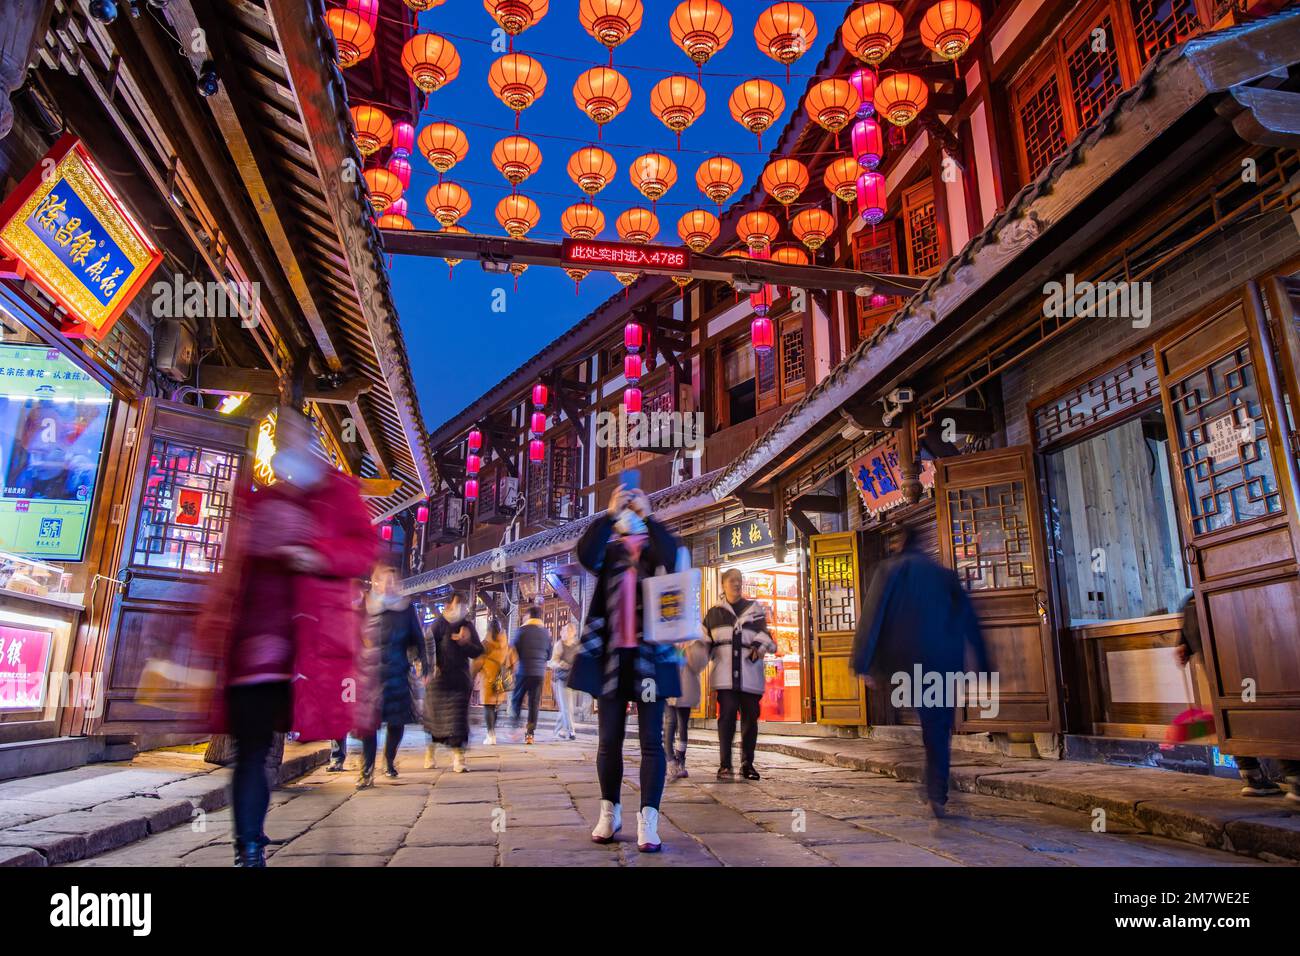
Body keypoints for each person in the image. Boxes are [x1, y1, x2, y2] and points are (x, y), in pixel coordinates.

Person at [195, 406, 375, 866]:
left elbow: (363, 550)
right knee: (252, 749)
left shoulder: (337, 494)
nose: (287, 443)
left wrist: (318, 555)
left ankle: (256, 835)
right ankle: (249, 846)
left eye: (296, 434)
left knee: (273, 741)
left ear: (312, 441)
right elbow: (231, 570)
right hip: (252, 645)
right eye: (282, 436)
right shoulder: (258, 500)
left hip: (307, 647)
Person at [570, 484, 683, 852]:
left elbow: (674, 551)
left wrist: (649, 513)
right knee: (609, 740)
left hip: (651, 658)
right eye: (628, 509)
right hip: (613, 659)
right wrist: (608, 513)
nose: (631, 513)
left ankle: (648, 819)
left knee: (651, 741)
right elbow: (585, 554)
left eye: (634, 510)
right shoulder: (608, 552)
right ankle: (610, 811)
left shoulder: (656, 551)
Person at [852, 525, 989, 819]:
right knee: (937, 725)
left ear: (899, 544)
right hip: (943, 659)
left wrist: (863, 663)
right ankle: (936, 790)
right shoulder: (944, 575)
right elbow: (969, 618)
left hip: (906, 662)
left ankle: (931, 785)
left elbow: (872, 617)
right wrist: (983, 661)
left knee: (927, 718)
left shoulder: (889, 571)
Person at [1176, 595, 1299, 802]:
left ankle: (1252, 776)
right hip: (1250, 658)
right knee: (1269, 708)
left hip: (1222, 670)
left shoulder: (1194, 599)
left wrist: (1183, 645)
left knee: (1235, 714)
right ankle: (1296, 778)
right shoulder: (1234, 585)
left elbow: (1186, 637)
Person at [700, 568, 777, 781]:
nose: (736, 584)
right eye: (732, 580)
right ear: (723, 584)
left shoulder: (755, 609)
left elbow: (768, 638)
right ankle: (725, 765)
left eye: (739, 580)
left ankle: (747, 764)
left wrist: (759, 647)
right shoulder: (714, 613)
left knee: (750, 719)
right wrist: (693, 660)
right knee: (726, 717)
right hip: (724, 677)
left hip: (749, 676)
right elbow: (703, 643)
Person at [355, 563, 426, 789]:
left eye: (392, 581)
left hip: (397, 673)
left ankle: (389, 759)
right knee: (369, 723)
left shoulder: (406, 609)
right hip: (369, 674)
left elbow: (417, 639)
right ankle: (366, 770)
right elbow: (351, 636)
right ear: (375, 582)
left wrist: (421, 661)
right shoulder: (364, 608)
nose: (388, 585)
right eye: (383, 580)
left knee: (396, 721)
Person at [423, 592, 484, 773]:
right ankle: (430, 752)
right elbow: (427, 647)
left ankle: (459, 757)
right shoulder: (438, 624)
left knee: (458, 721)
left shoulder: (467, 626)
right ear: (448, 605)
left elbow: (478, 651)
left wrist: (466, 643)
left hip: (459, 680)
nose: (461, 608)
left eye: (463, 604)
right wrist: (429, 667)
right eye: (458, 603)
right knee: (436, 722)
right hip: (439, 682)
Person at [665, 639, 709, 780]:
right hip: (670, 684)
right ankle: (671, 761)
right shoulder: (670, 638)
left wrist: (688, 651)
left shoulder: (694, 641)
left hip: (685, 686)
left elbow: (699, 663)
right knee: (671, 722)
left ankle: (679, 760)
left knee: (680, 724)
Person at [510, 605, 552, 744]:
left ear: (529, 616)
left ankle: (516, 725)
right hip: (539, 673)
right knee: (534, 703)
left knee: (517, 699)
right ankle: (530, 734)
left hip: (523, 671)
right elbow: (549, 655)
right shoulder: (546, 632)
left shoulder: (522, 630)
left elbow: (514, 649)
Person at [471, 618, 514, 747]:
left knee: (488, 707)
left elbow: (477, 662)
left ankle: (491, 734)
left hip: (488, 678)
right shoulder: (505, 643)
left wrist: (472, 675)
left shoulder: (485, 645)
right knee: (496, 707)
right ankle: (492, 733)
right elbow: (512, 659)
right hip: (501, 679)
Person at [549, 622, 580, 740]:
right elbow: (551, 662)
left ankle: (557, 731)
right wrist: (559, 663)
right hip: (560, 679)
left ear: (573, 633)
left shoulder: (577, 645)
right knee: (567, 707)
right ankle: (571, 731)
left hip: (573, 679)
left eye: (568, 631)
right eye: (565, 630)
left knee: (565, 707)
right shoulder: (559, 645)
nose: (565, 633)